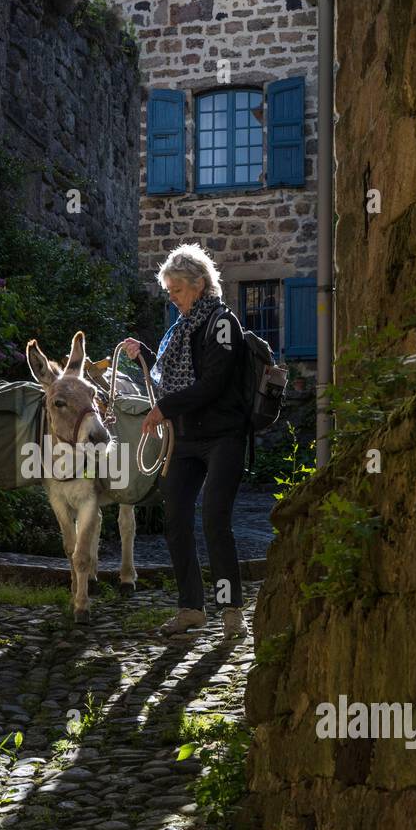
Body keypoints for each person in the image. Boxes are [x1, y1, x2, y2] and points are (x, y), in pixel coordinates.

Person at [123, 242, 249, 639]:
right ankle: (191, 608)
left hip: (224, 436)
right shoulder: (181, 329)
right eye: (170, 291)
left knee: (215, 519)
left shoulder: (222, 323)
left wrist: (165, 409)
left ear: (197, 285)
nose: (173, 298)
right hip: (188, 439)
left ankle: (231, 611)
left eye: (176, 290)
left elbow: (212, 383)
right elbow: (169, 374)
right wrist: (142, 352)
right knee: (175, 518)